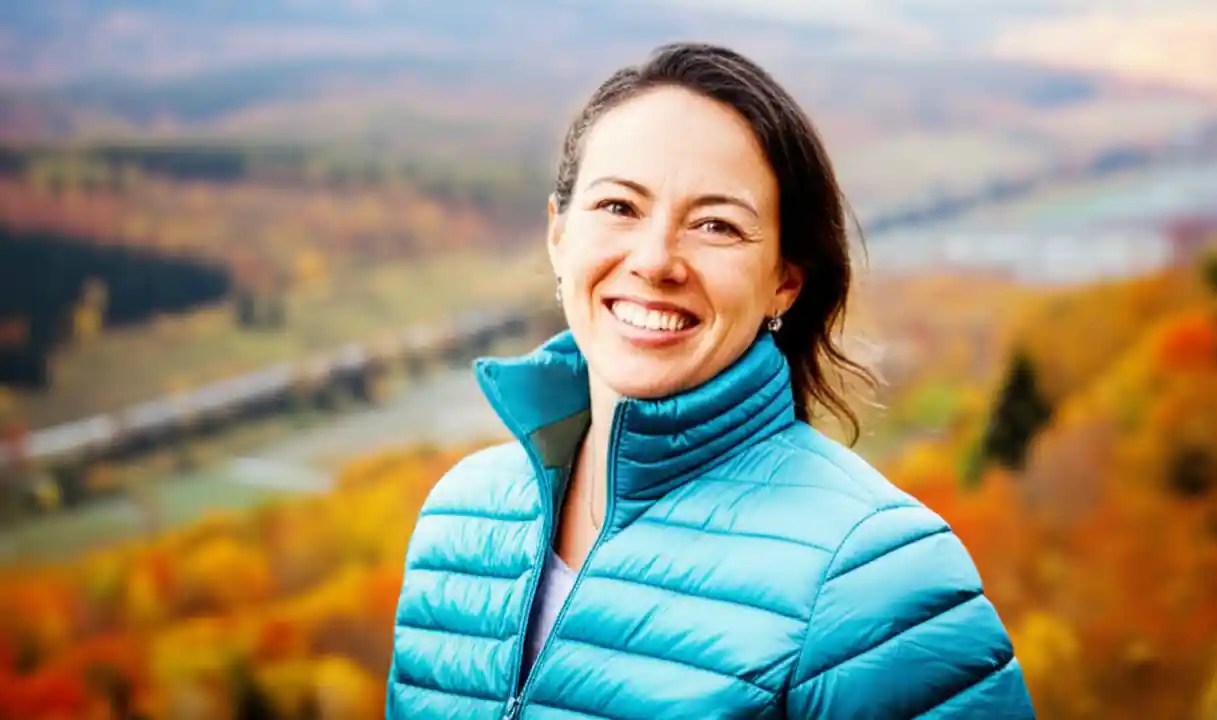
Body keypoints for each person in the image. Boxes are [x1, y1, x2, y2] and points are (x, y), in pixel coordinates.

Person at [387, 42, 1035, 719]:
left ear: (784, 281)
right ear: (559, 235)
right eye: (618, 207)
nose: (656, 260)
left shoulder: (875, 574)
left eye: (716, 225)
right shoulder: (461, 520)